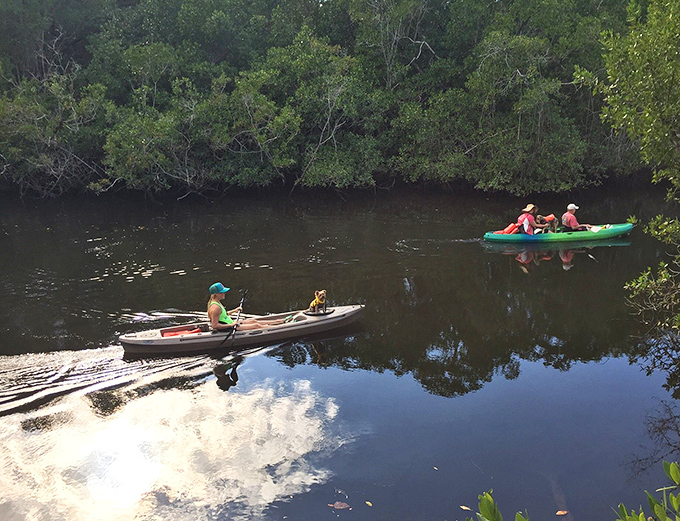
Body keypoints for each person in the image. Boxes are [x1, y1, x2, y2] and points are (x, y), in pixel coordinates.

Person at [207, 282, 284, 331]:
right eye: (222, 292)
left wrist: (235, 310)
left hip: (231, 323)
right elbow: (215, 325)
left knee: (254, 321)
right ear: (216, 294)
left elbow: (223, 315)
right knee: (256, 325)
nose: (224, 294)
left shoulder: (217, 303)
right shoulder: (215, 308)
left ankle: (280, 321)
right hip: (229, 327)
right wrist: (231, 325)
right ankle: (280, 329)